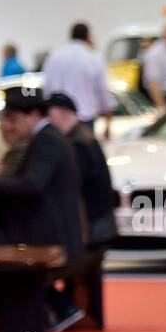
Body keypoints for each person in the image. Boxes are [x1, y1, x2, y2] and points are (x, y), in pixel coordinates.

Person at [0, 87, 86, 332]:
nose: (10, 127)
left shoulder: (46, 140)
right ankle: (58, 307)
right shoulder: (47, 138)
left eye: (13, 119)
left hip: (46, 236)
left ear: (34, 114)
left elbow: (33, 184)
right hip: (48, 229)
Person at [46, 92, 117, 248]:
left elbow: (72, 184)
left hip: (92, 225)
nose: (47, 121)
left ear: (64, 113)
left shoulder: (77, 143)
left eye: (49, 115)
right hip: (97, 223)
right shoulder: (81, 135)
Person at [42, 22, 114, 141]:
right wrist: (108, 123)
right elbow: (103, 92)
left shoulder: (54, 57)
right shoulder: (94, 58)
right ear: (88, 37)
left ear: (70, 35)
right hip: (84, 120)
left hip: (57, 119)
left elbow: (47, 89)